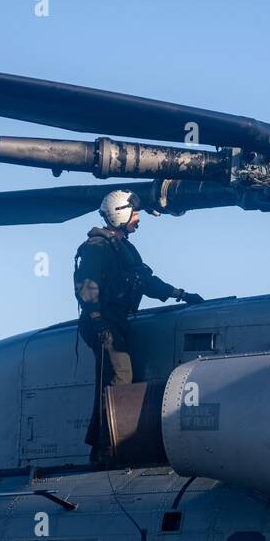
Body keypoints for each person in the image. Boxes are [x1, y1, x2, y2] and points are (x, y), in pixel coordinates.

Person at [74, 189, 203, 465]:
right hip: (103, 322)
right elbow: (86, 285)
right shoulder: (97, 247)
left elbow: (146, 281)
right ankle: (108, 448)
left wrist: (180, 293)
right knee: (120, 376)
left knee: (117, 378)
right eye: (134, 213)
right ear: (120, 215)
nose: (138, 219)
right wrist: (98, 321)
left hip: (116, 320)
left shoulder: (125, 248)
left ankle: (105, 444)